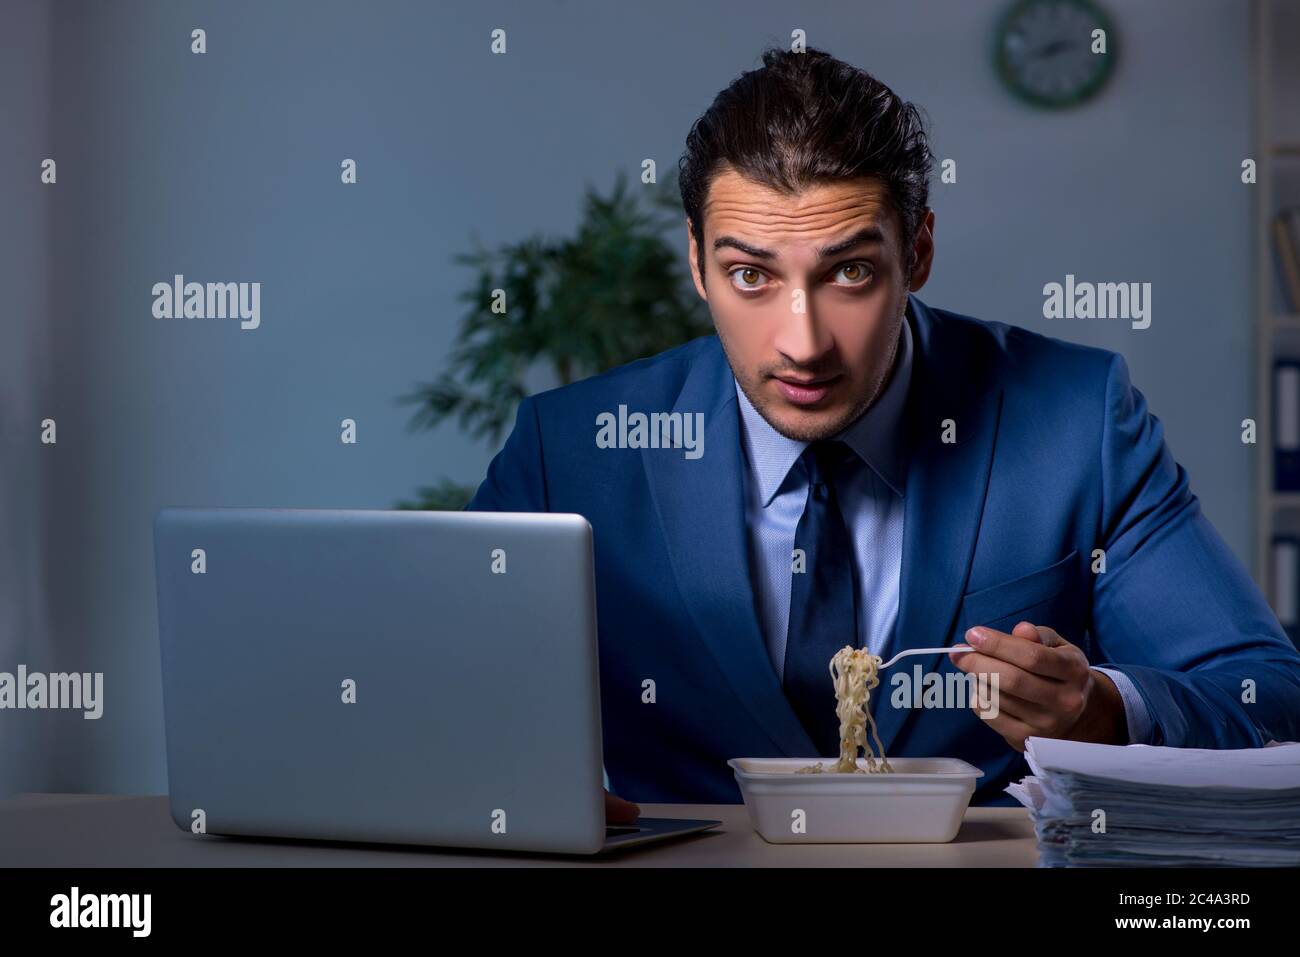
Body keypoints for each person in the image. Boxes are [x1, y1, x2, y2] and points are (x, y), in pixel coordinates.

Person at [467, 47, 1300, 818]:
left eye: (850, 272)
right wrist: (509, 791)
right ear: (697, 263)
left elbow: (1268, 695)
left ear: (919, 250)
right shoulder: (569, 450)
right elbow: (436, 693)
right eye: (750, 274)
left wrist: (1101, 709)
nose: (802, 341)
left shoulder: (1077, 420)